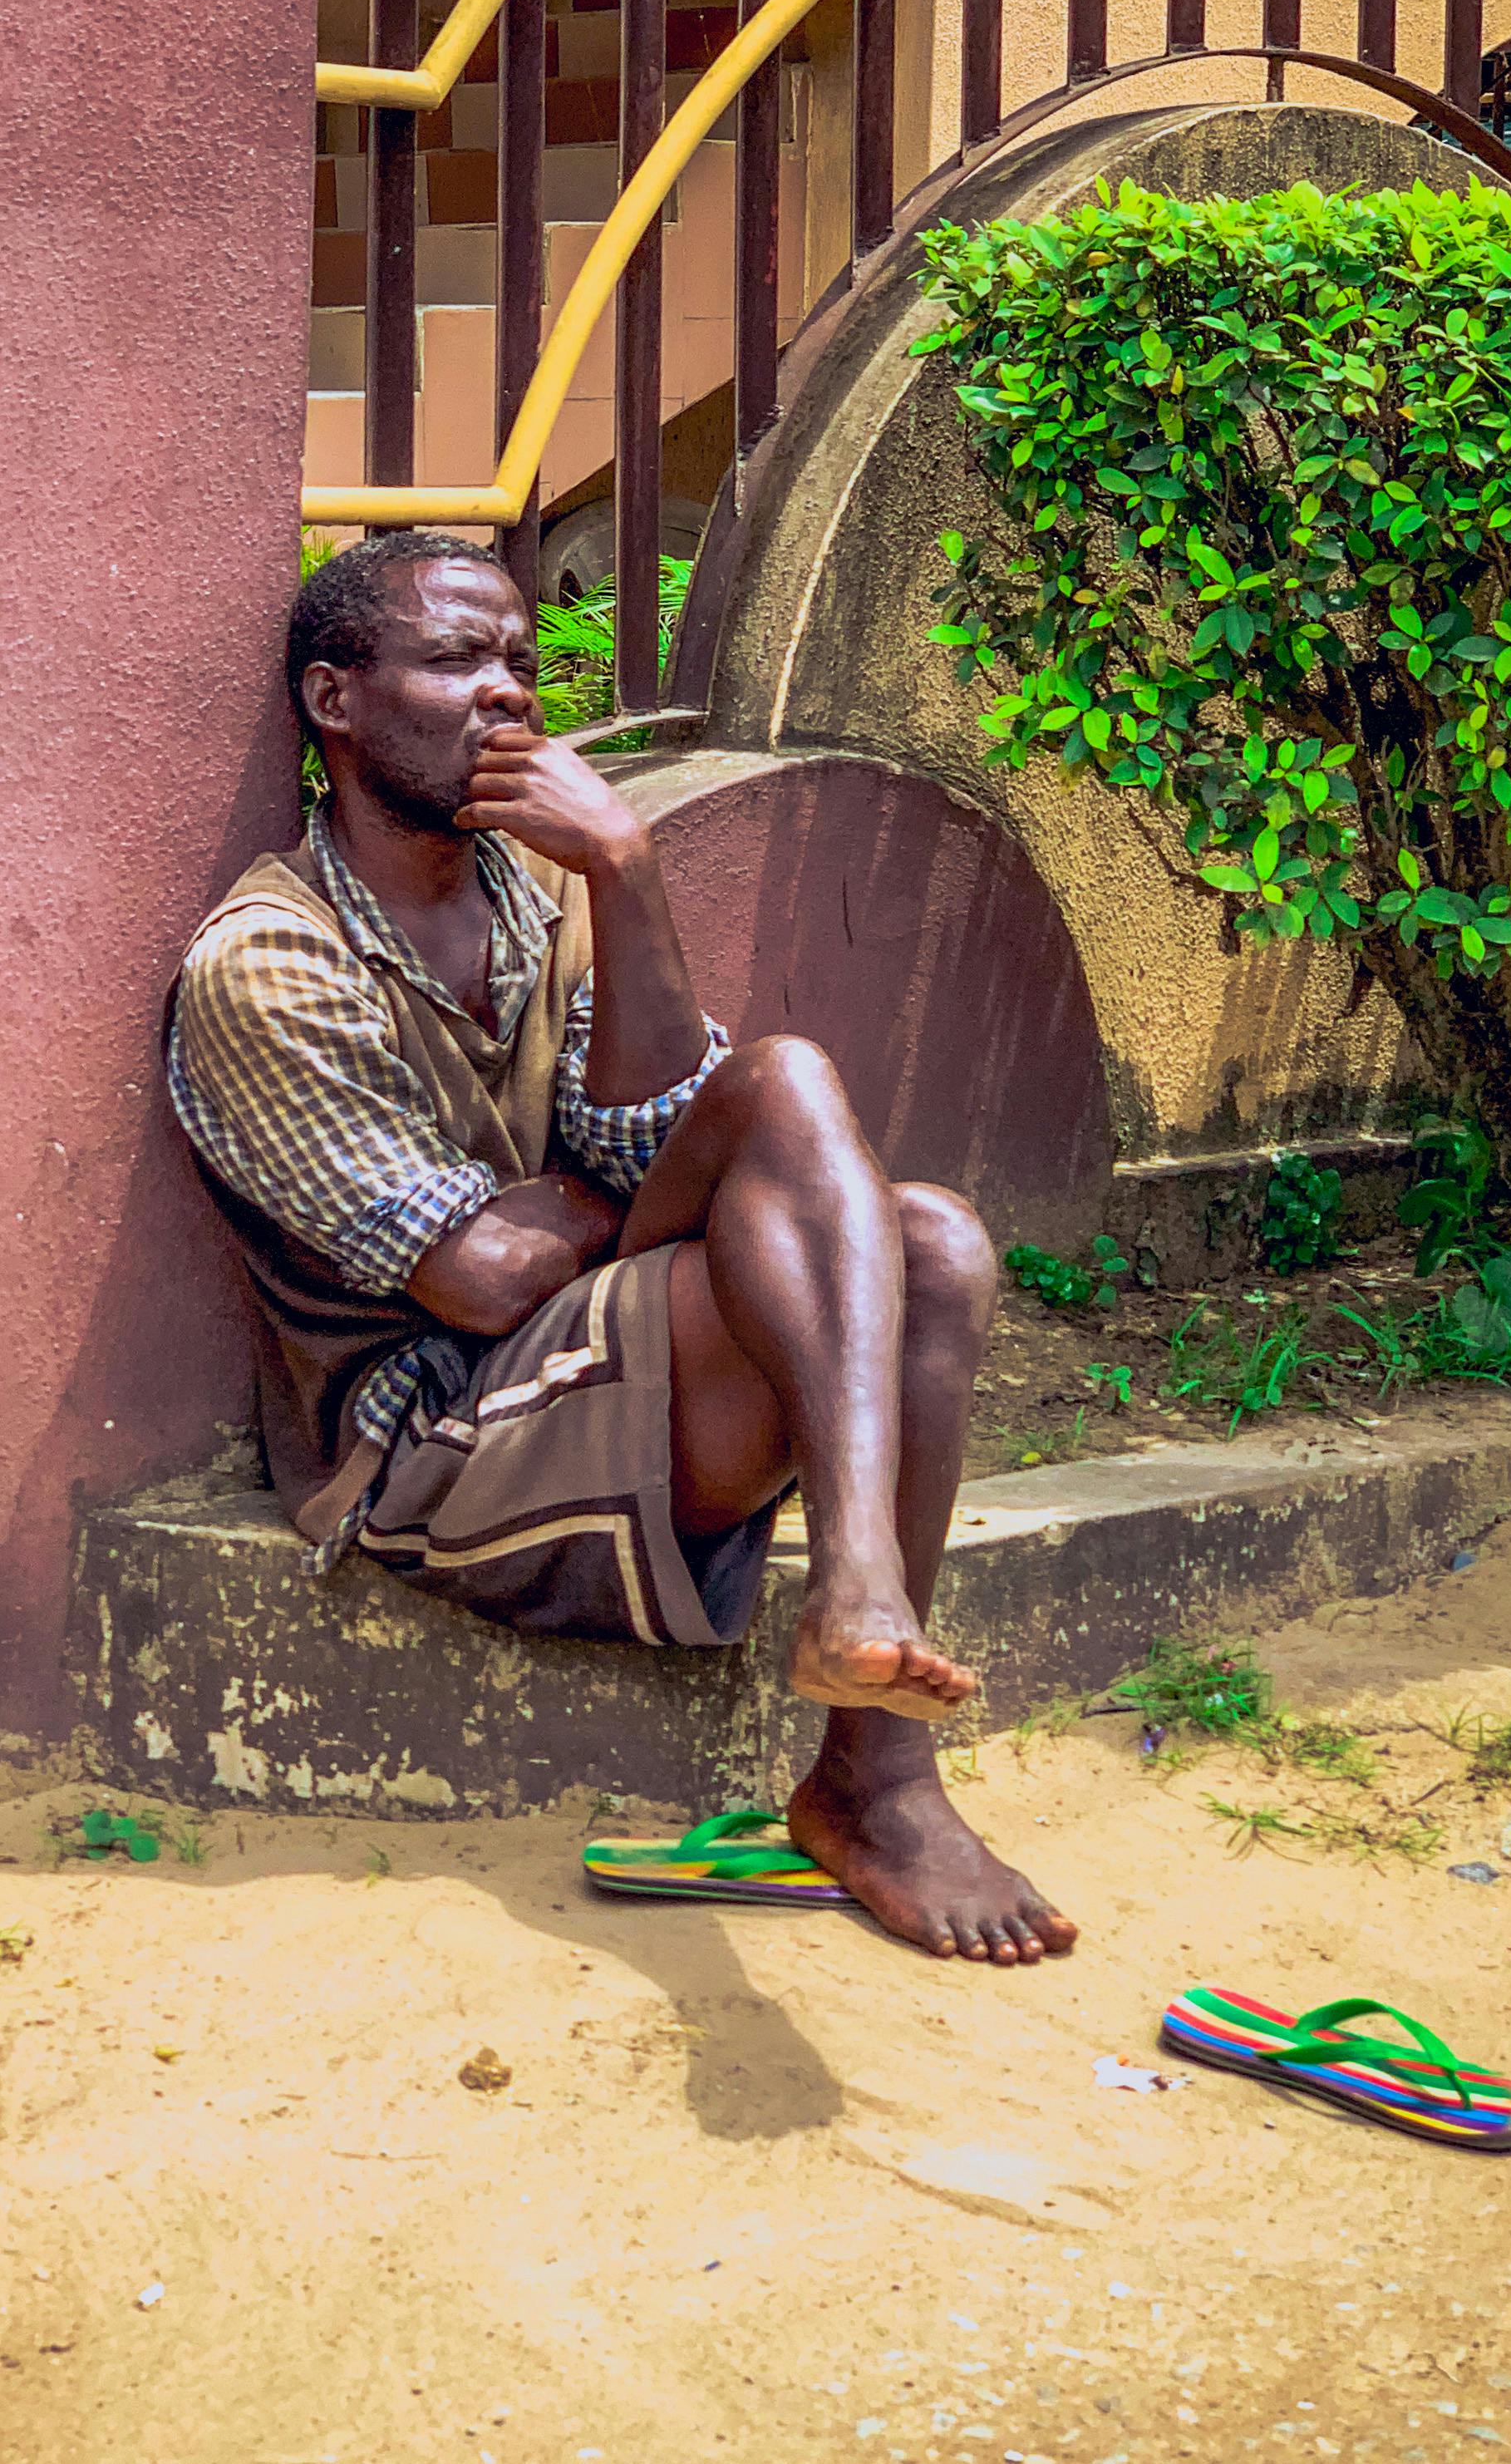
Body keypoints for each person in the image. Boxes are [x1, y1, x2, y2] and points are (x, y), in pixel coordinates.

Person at [167, 533, 1077, 1967]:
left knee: (937, 1243)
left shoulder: (539, 902)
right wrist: (666, 1190)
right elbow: (476, 1280)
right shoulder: (266, 962)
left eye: (522, 666)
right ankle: (858, 1613)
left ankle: (871, 1774)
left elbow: (658, 1153)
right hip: (437, 1444)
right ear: (335, 699)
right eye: (457, 661)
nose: (505, 698)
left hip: (583, 1365)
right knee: (777, 1093)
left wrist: (628, 868)